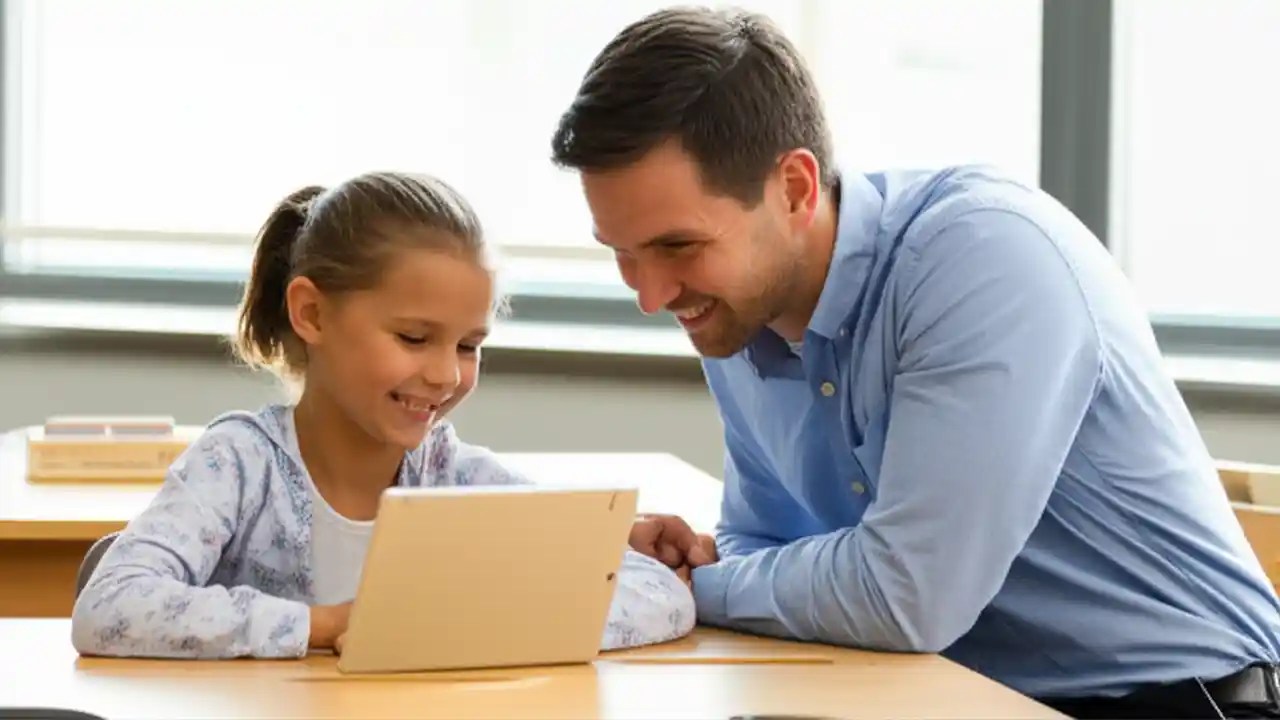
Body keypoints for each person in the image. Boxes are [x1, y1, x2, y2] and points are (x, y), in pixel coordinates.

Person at [551, 6, 1280, 717]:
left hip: (1184, 699)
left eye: (678, 246)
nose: (650, 295)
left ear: (796, 190)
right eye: (621, 253)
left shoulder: (983, 259)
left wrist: (674, 588)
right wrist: (706, 572)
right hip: (952, 693)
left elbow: (905, 595)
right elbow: (766, 543)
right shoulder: (737, 311)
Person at [71, 171, 694, 659]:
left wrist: (493, 619)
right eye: (414, 338)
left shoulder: (455, 479)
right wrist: (328, 626)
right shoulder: (236, 466)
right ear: (311, 314)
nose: (448, 374)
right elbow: (111, 606)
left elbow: (661, 596)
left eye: (469, 345)